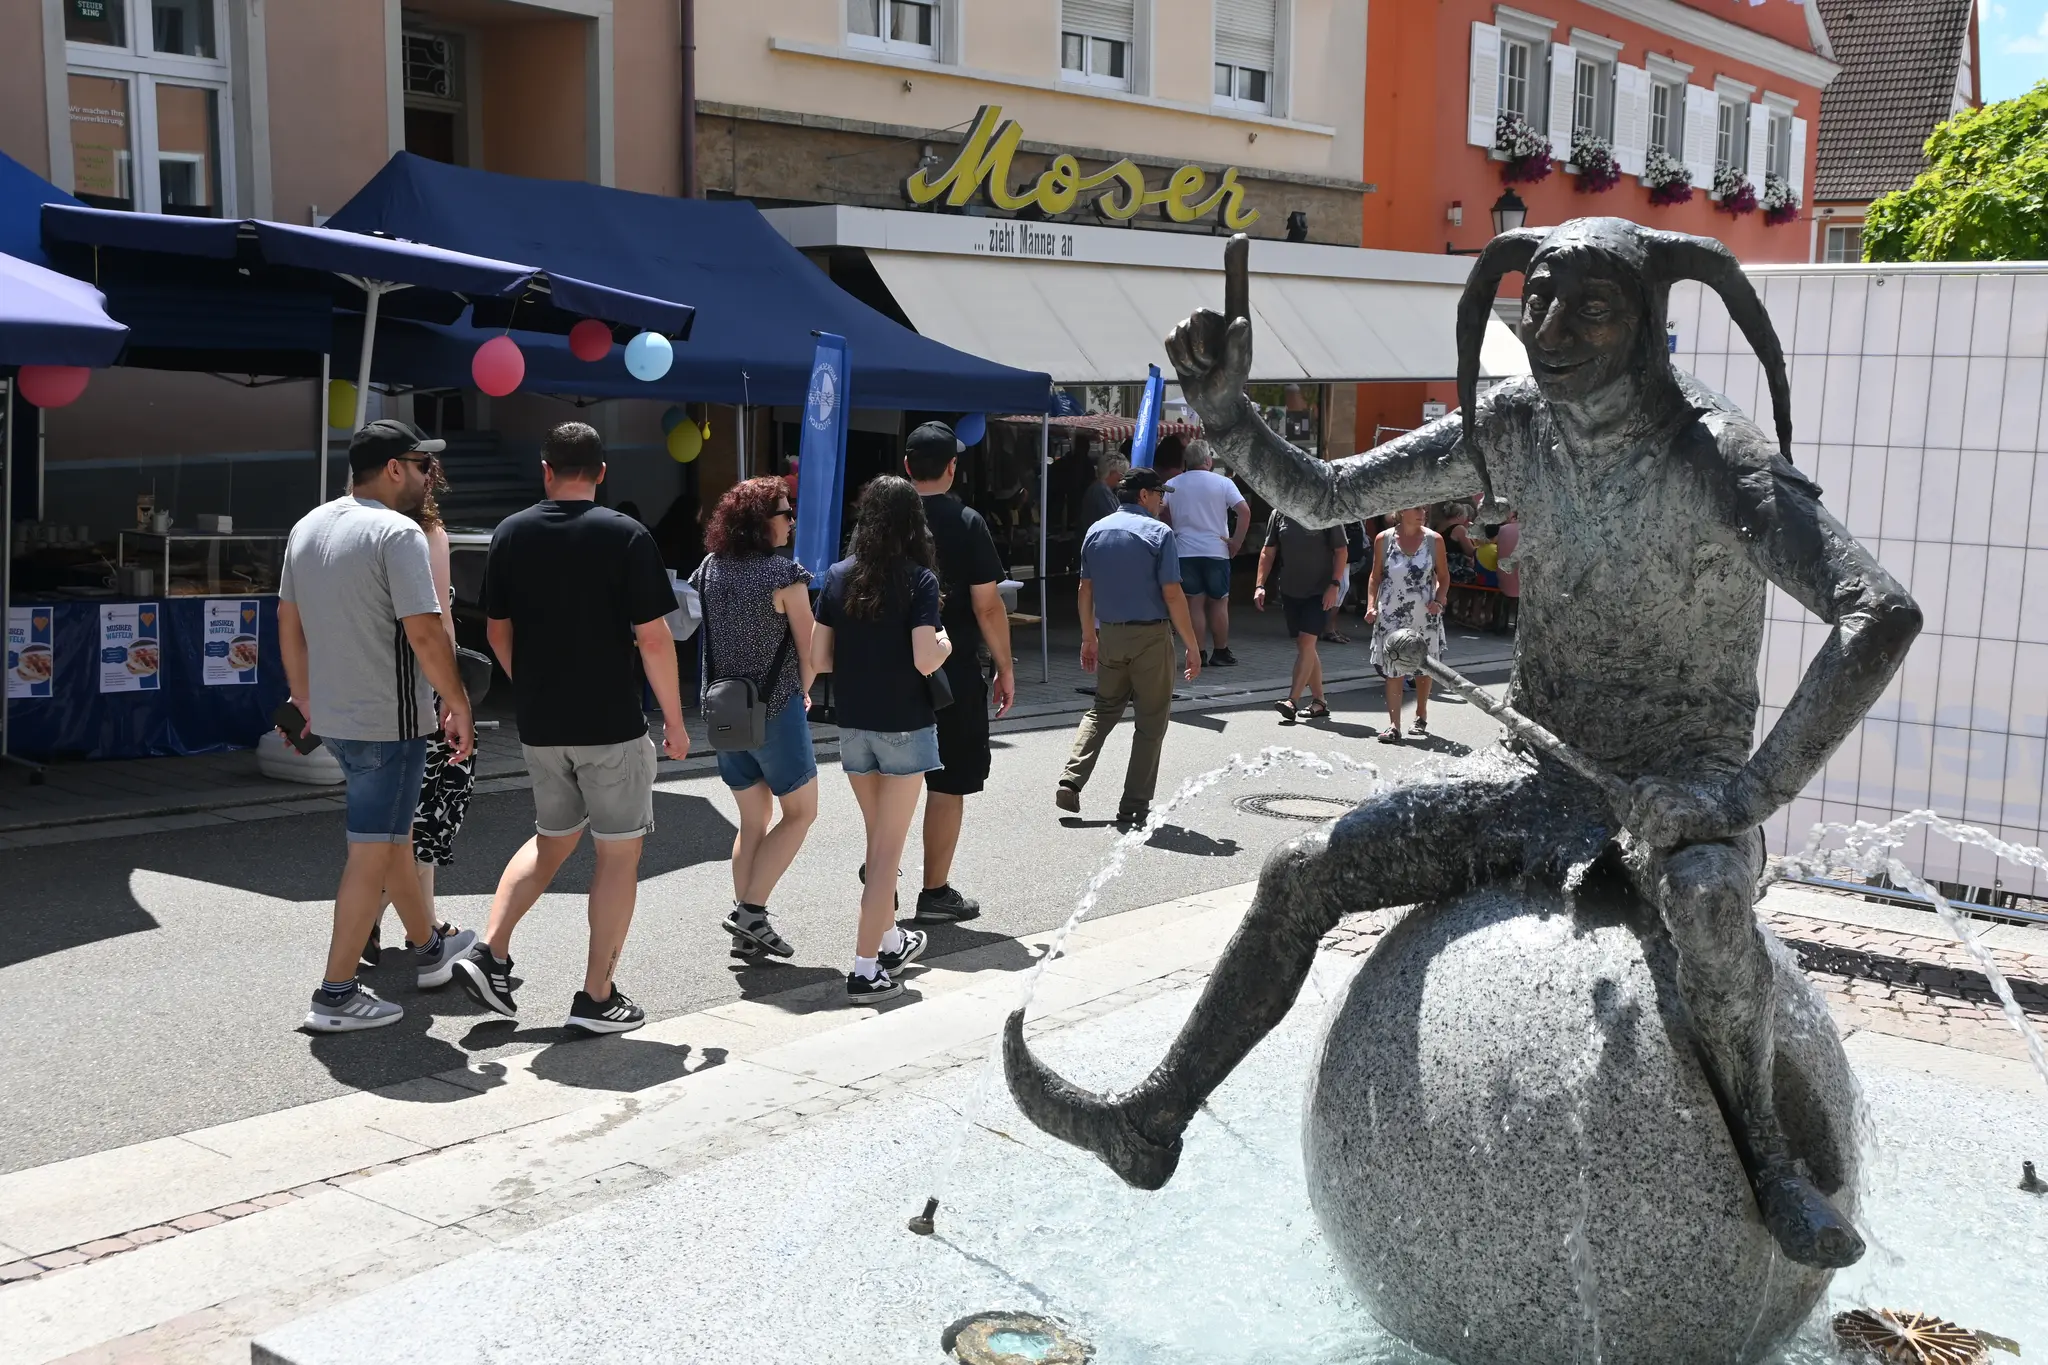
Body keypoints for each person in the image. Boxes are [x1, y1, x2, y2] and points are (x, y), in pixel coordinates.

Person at [1008, 218, 1924, 1269]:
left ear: (1645, 322)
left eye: (1590, 309)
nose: (1550, 330)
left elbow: (1877, 612)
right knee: (1300, 871)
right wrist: (1225, 414)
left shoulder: (1717, 458)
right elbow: (1327, 494)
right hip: (1537, 773)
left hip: (1683, 784)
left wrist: (1743, 796)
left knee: (1710, 901)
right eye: (1538, 301)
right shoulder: (1517, 423)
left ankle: (1768, 1160)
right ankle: (1153, 1119)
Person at [455, 422, 689, 1035]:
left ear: (545, 469)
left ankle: (490, 951)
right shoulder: (627, 535)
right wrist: (674, 720)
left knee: (551, 839)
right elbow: (654, 638)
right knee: (618, 855)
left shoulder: (511, 532)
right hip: (609, 722)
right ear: (602, 473)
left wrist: (532, 684)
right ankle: (596, 997)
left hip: (542, 724)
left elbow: (497, 630)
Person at [279, 419, 477, 1033]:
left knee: (392, 841)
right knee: (373, 851)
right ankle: (336, 993)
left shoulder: (309, 526)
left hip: (337, 716)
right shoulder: (398, 532)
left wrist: (305, 698)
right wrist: (458, 702)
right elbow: (425, 631)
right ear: (394, 468)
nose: (427, 476)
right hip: (388, 721)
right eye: (421, 464)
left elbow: (288, 620)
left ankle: (429, 946)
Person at [811, 475, 945, 1003]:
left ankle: (889, 940)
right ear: (912, 523)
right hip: (904, 724)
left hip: (853, 724)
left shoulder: (838, 576)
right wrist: (947, 644)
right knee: (886, 852)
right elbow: (925, 658)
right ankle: (866, 968)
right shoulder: (919, 580)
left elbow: (819, 659)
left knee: (878, 842)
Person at [692, 477, 819, 962]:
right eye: (785, 512)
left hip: (725, 711)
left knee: (752, 820)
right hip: (775, 709)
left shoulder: (710, 567)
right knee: (801, 812)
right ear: (761, 521)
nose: (792, 521)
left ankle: (746, 929)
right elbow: (810, 650)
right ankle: (751, 912)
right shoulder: (784, 574)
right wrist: (805, 690)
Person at [364, 465, 476, 967]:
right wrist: (454, 696)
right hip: (418, 692)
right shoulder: (426, 534)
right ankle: (377, 921)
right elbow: (438, 621)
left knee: (396, 819)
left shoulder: (357, 528)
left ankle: (423, 927)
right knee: (422, 818)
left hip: (367, 693)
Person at [904, 422, 1015, 921]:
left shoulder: (881, 521)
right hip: (951, 671)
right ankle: (934, 892)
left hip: (888, 671)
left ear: (907, 466)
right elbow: (988, 605)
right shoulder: (968, 521)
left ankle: (881, 878)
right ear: (952, 467)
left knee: (890, 780)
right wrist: (1006, 667)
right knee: (948, 783)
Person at [1056, 467, 1202, 827]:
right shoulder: (1159, 533)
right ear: (1144, 496)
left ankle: (1071, 779)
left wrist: (1088, 636)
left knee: (1103, 708)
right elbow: (1173, 594)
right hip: (1150, 637)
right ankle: (1134, 805)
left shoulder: (1096, 530)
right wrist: (1192, 645)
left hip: (1110, 634)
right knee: (1151, 720)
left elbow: (1085, 589)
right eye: (1159, 494)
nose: (1162, 502)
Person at [1161, 439, 1248, 666]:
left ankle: (1197, 652)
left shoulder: (1172, 484)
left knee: (1194, 603)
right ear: (1208, 460)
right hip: (1216, 549)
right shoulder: (1223, 483)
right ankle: (1221, 651)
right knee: (1219, 602)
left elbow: (1159, 510)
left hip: (1185, 550)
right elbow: (1244, 511)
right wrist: (1236, 542)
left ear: (1186, 462)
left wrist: (1172, 529)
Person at [1255, 511, 1347, 723]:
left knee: (1306, 641)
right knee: (1305, 645)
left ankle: (1292, 700)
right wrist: (1260, 585)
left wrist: (1335, 584)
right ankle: (1319, 701)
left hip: (1320, 591)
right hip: (1290, 590)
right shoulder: (1279, 513)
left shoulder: (1327, 511)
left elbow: (1341, 550)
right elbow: (1268, 551)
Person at [1366, 507, 1449, 743]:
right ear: (1401, 511)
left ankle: (1420, 714)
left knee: (1424, 667)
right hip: (1391, 613)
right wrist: (1371, 605)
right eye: (1417, 508)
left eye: (1425, 508)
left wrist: (1439, 601)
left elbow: (1443, 576)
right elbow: (1375, 576)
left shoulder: (1434, 540)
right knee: (1393, 666)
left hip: (1425, 614)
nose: (1423, 512)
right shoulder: (1384, 539)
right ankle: (1394, 725)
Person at [1079, 452, 1125, 535]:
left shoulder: (1099, 488)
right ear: (1113, 473)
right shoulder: (1102, 491)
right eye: (1121, 473)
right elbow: (1113, 520)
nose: (1122, 477)